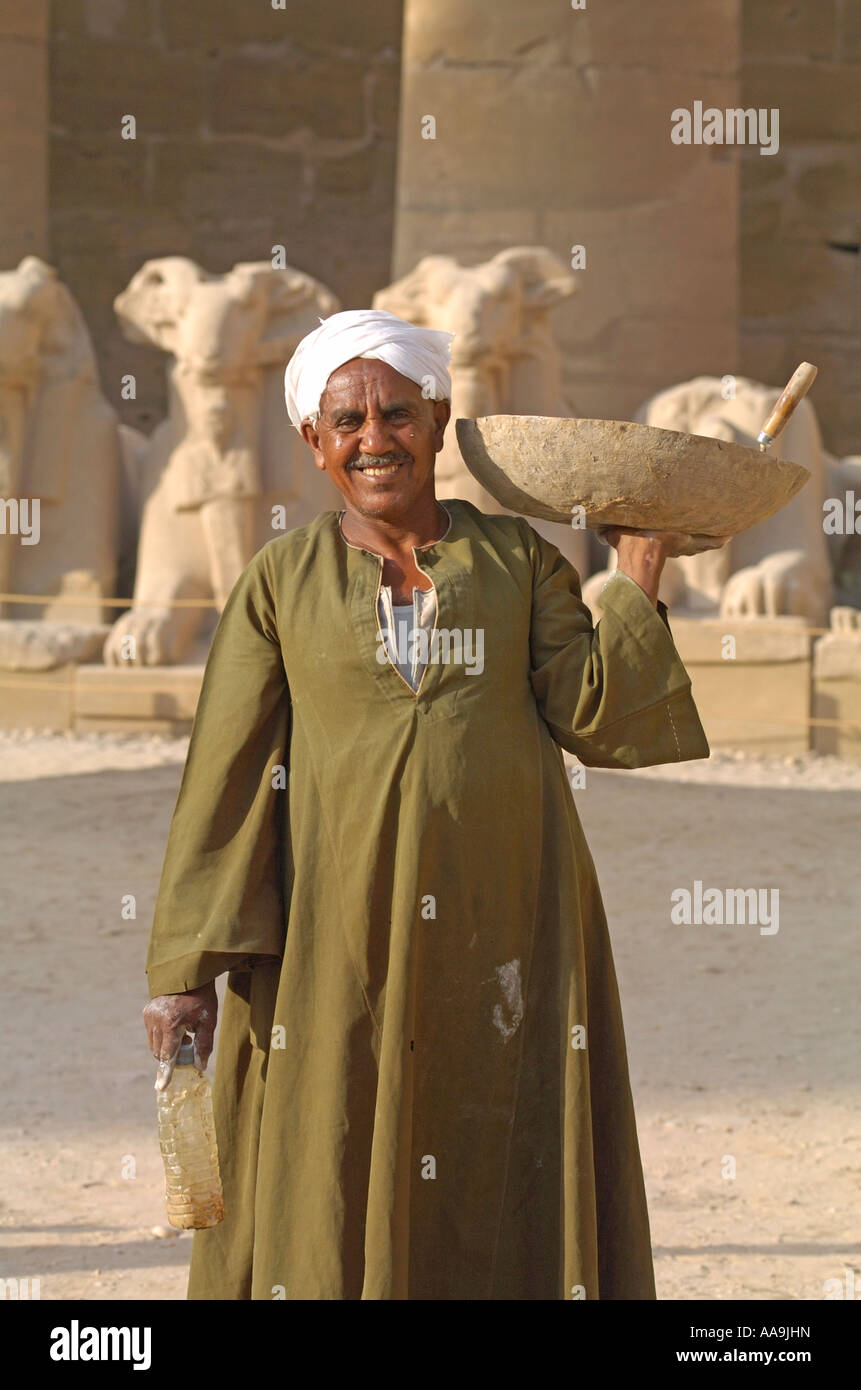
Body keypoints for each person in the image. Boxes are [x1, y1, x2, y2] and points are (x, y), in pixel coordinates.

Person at [143, 308, 712, 1300]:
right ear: (314, 442)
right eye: (348, 421)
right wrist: (186, 970)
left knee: (499, 1133)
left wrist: (637, 570)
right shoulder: (280, 580)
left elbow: (600, 719)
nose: (376, 438)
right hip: (333, 938)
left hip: (508, 919)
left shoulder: (516, 561)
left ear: (440, 421)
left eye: (398, 413)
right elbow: (228, 774)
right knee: (335, 1135)